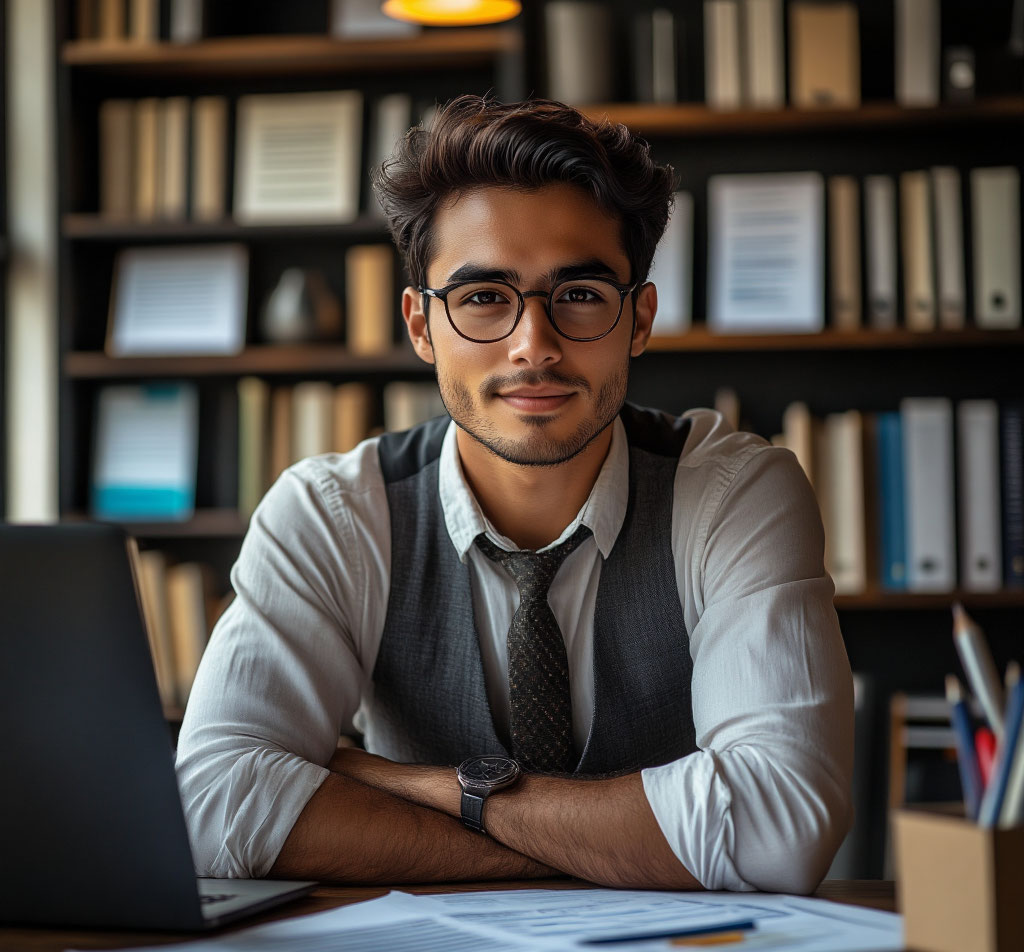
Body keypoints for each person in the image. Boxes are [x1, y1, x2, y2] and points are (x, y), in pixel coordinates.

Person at [176, 94, 853, 894]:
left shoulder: (736, 494)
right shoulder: (333, 514)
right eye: (484, 298)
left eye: (579, 295)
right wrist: (600, 850)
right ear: (422, 327)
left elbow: (780, 828)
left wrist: (430, 787)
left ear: (638, 319)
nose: (534, 346)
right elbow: (213, 807)